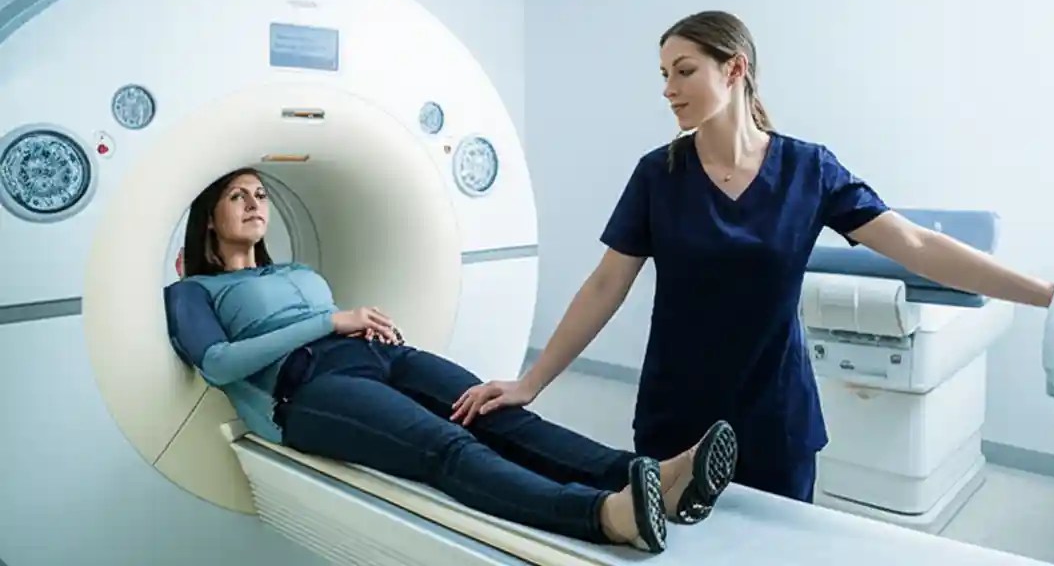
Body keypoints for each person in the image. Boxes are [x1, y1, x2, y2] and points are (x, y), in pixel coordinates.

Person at [451, 10, 1054, 505]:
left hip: (774, 416)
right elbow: (606, 284)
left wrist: (1051, 291)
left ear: (735, 68)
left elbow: (917, 247)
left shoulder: (810, 170)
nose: (668, 89)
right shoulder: (659, 175)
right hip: (675, 413)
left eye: (684, 71)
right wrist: (532, 381)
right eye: (663, 75)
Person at [163, 167, 741, 554]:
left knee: (499, 414)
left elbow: (331, 322)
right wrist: (331, 320)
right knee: (447, 447)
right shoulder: (194, 292)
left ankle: (654, 476)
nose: (255, 203)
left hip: (378, 355)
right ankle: (605, 516)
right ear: (209, 217)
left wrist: (363, 327)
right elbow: (218, 363)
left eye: (261, 194)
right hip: (309, 388)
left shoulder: (292, 270)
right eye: (237, 196)